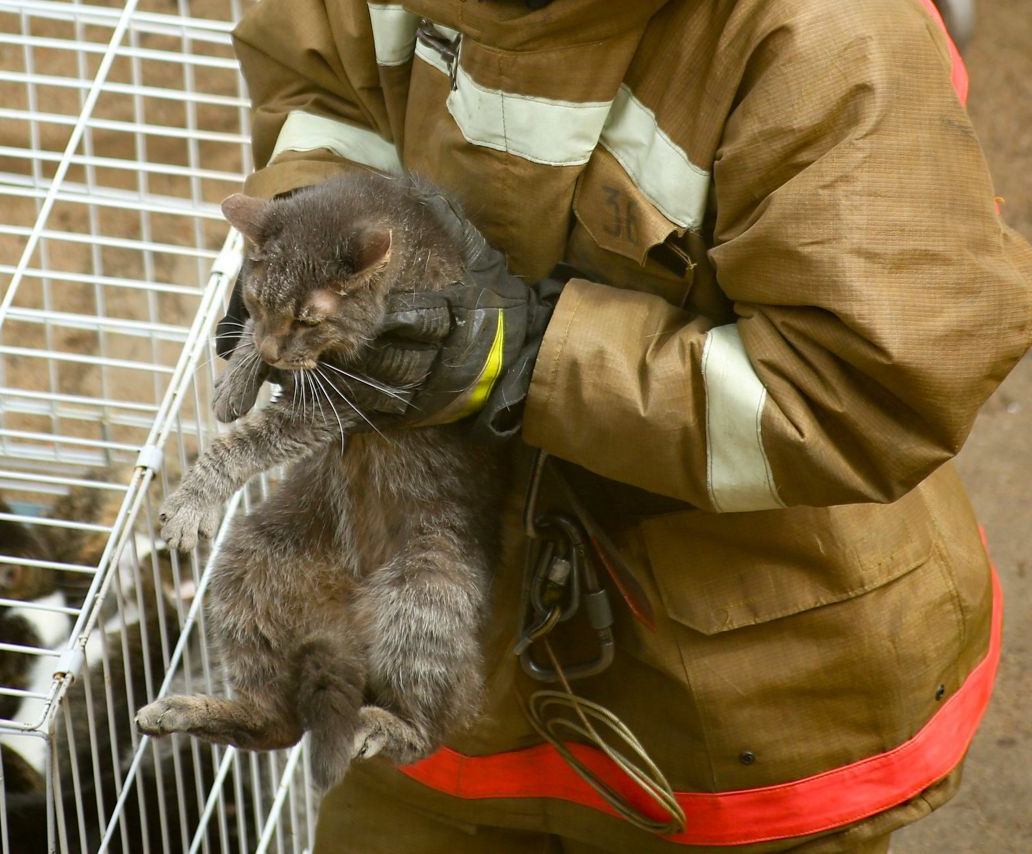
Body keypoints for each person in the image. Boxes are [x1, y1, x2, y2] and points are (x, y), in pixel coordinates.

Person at [222, 1, 1032, 851]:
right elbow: (320, 89)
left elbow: (861, 389)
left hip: (729, 712)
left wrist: (529, 359)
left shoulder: (826, 36)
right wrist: (314, 228)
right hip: (437, 668)